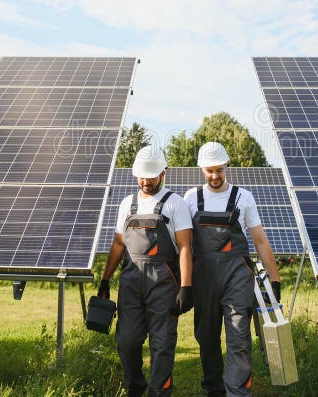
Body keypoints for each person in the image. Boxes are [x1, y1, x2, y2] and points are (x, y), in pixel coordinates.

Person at [184, 142, 281, 397]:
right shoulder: (191, 198)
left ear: (227, 166)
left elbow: (259, 240)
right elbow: (181, 243)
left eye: (219, 169)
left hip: (237, 277)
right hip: (203, 278)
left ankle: (238, 393)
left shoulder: (243, 196)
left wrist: (275, 280)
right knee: (207, 339)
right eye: (209, 171)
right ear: (202, 169)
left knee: (238, 338)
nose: (215, 176)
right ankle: (214, 391)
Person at [98, 145, 194, 397]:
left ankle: (159, 392)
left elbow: (185, 247)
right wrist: (106, 280)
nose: (145, 181)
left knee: (162, 344)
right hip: (130, 281)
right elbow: (119, 244)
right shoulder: (126, 204)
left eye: (151, 176)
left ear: (163, 173)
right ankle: (136, 387)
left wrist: (186, 287)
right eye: (141, 176)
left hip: (164, 283)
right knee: (126, 341)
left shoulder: (176, 204)